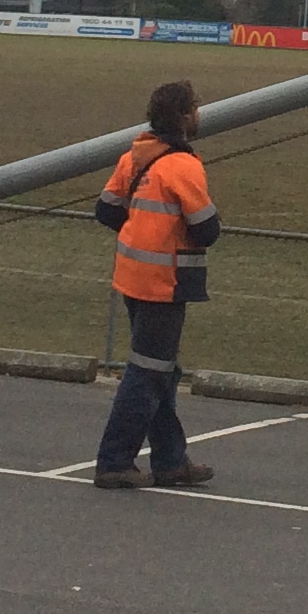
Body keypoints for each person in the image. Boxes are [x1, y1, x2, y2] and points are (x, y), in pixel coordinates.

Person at [89, 80, 223, 490]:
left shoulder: (136, 155)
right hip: (165, 281)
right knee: (147, 374)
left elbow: (106, 210)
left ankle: (170, 461)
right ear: (184, 117)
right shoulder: (184, 165)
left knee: (161, 370)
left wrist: (142, 229)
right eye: (196, 107)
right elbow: (206, 229)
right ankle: (114, 461)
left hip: (132, 275)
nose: (200, 114)